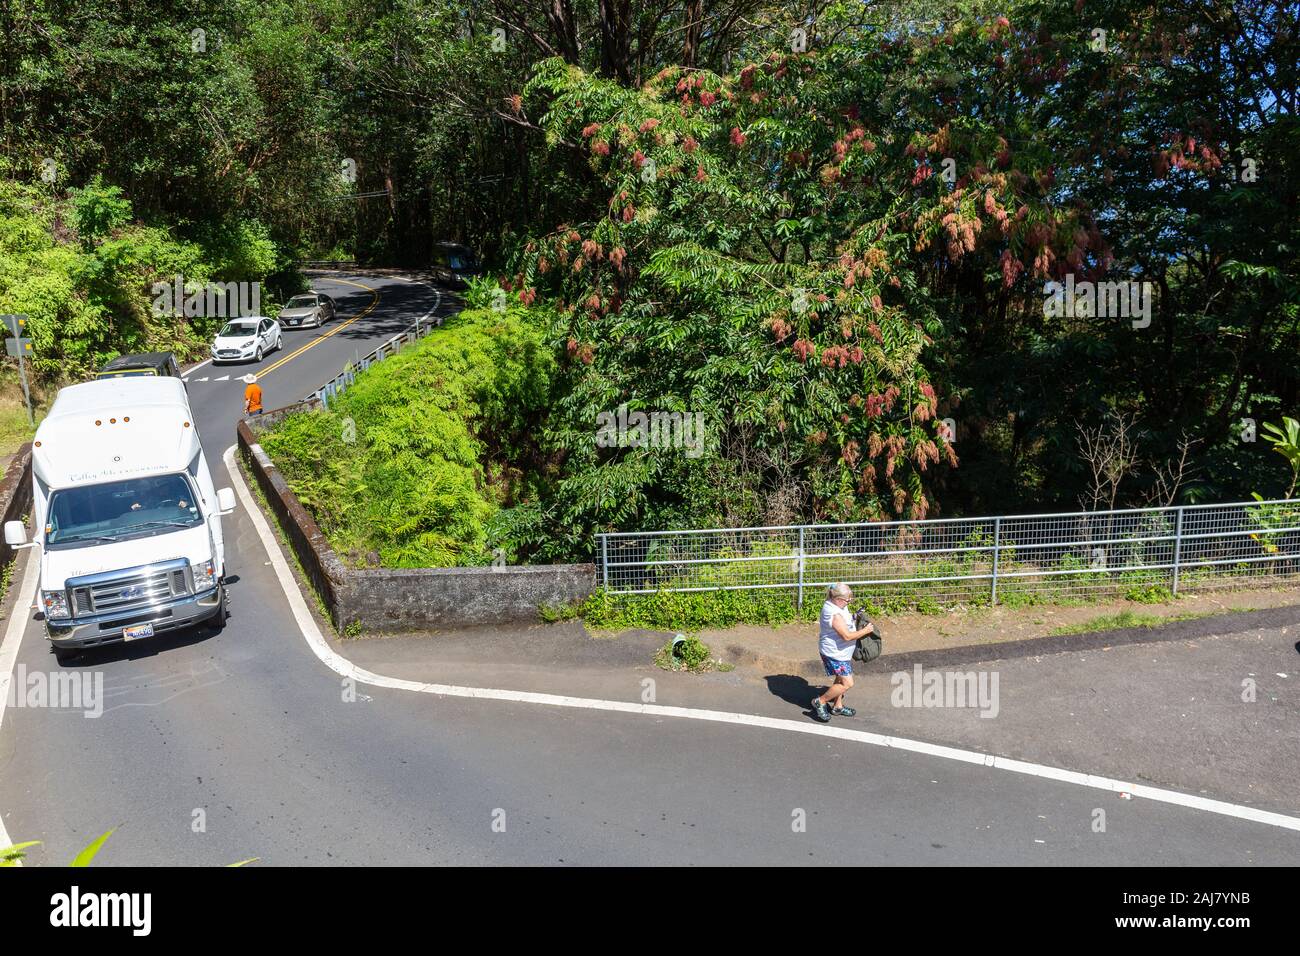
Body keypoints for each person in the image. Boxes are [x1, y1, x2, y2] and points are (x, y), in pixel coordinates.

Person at [811, 583, 876, 722]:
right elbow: (846, 636)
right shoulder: (834, 614)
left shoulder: (839, 606)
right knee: (847, 683)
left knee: (840, 678)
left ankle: (837, 706)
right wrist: (866, 631)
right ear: (838, 598)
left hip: (842, 652)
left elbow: (845, 620)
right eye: (847, 600)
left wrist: (854, 617)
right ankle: (820, 701)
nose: (849, 602)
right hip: (834, 654)